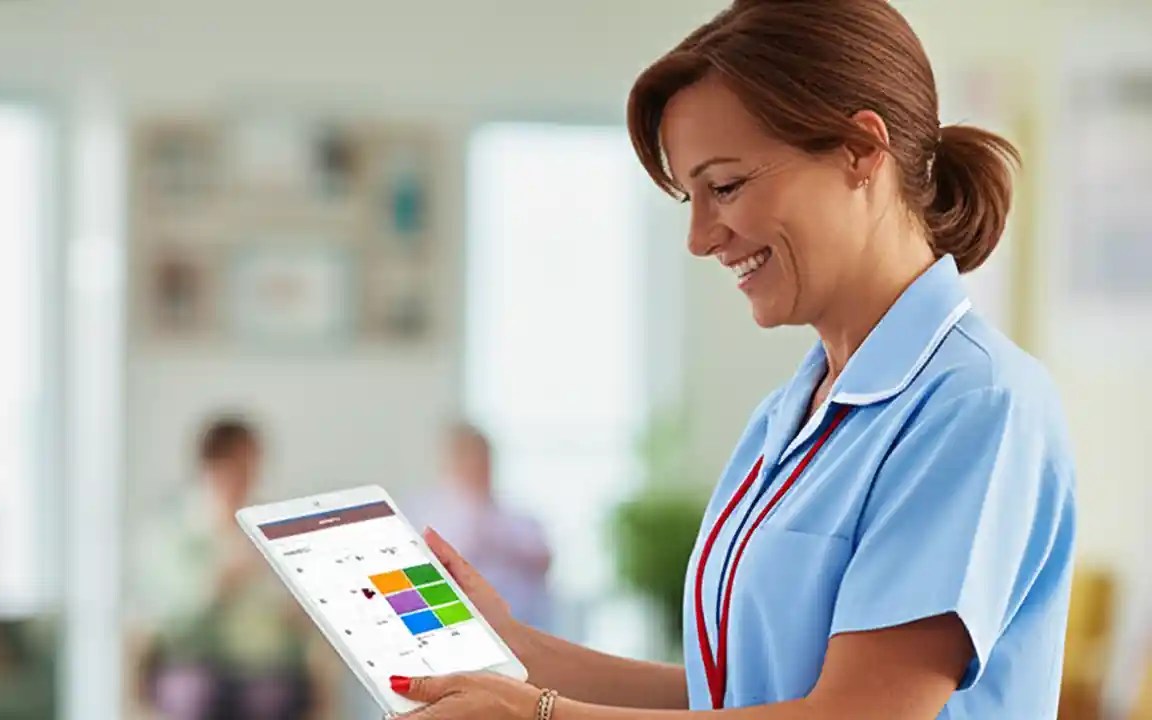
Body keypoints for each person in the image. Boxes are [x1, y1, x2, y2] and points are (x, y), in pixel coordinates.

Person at [385, 1, 1076, 718]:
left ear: (859, 150)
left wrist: (542, 715)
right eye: (690, 196)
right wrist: (518, 652)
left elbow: (858, 713)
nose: (700, 236)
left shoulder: (978, 404)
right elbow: (739, 699)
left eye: (725, 187)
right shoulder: (787, 416)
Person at [136, 416, 329, 720]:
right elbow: (167, 620)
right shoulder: (172, 531)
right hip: (194, 663)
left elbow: (296, 616)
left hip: (267, 667)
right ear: (209, 467)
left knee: (268, 699)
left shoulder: (273, 526)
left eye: (251, 468)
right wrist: (220, 583)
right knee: (196, 694)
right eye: (235, 469)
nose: (245, 479)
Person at [407, 422, 553, 631]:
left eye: (481, 459)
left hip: (520, 624)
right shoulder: (424, 513)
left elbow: (543, 559)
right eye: (467, 458)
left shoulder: (518, 518)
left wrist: (502, 543)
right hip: (455, 625)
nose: (475, 466)